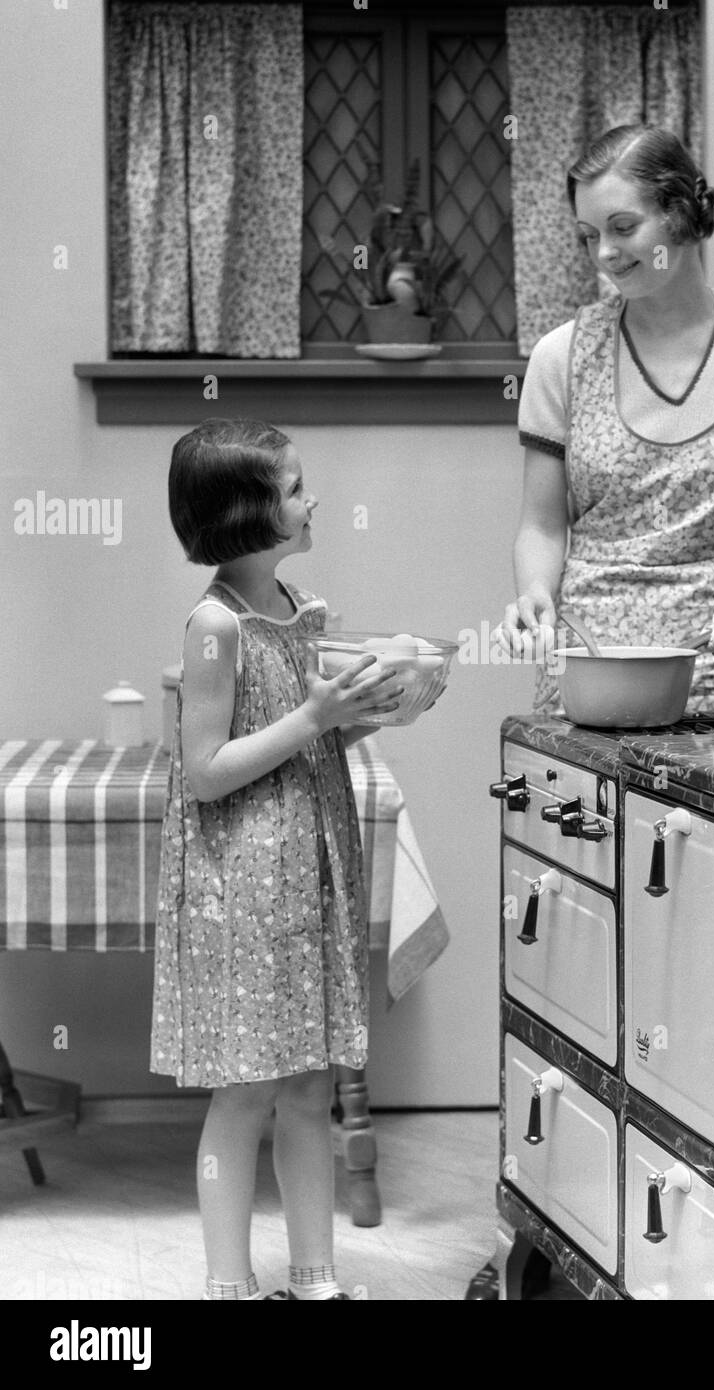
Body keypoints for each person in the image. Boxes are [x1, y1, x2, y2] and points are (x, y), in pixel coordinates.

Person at [151, 418, 404, 1301]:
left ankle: (315, 1279)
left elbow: (310, 733)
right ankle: (229, 1285)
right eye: (295, 488)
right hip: (245, 885)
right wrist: (314, 720)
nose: (312, 501)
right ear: (245, 514)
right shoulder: (214, 625)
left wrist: (377, 706)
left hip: (312, 869)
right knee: (245, 1091)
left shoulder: (298, 610)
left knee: (309, 1087)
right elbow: (205, 772)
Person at [500, 124, 714, 712]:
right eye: (589, 235)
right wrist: (535, 593)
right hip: (589, 666)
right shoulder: (560, 357)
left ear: (683, 215)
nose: (605, 254)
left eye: (623, 228)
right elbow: (541, 526)